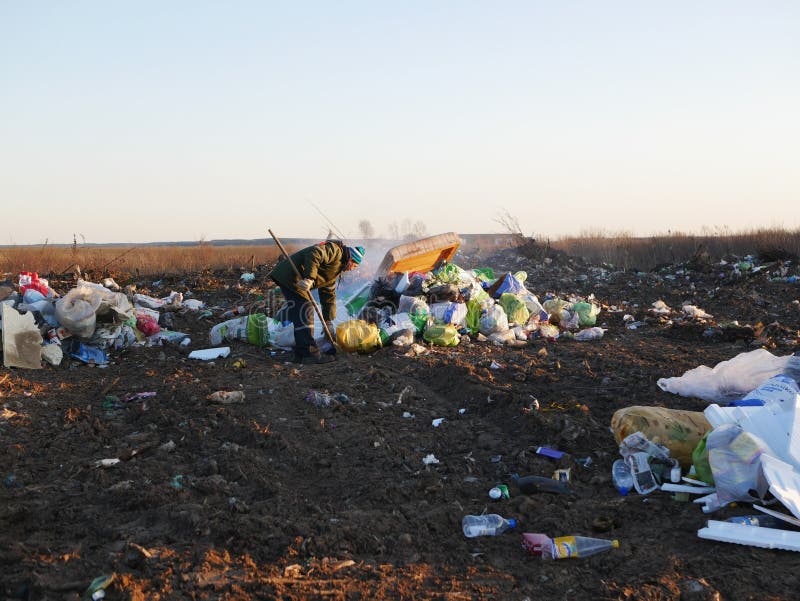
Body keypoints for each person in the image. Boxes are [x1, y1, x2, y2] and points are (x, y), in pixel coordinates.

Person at [269, 240, 365, 364]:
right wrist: (310, 278)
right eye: (354, 266)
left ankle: (301, 353)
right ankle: (308, 354)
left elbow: (328, 295)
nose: (352, 269)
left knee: (300, 314)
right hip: (291, 276)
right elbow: (315, 252)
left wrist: (328, 321)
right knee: (306, 309)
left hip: (293, 279)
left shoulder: (335, 270)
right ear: (351, 260)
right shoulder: (336, 251)